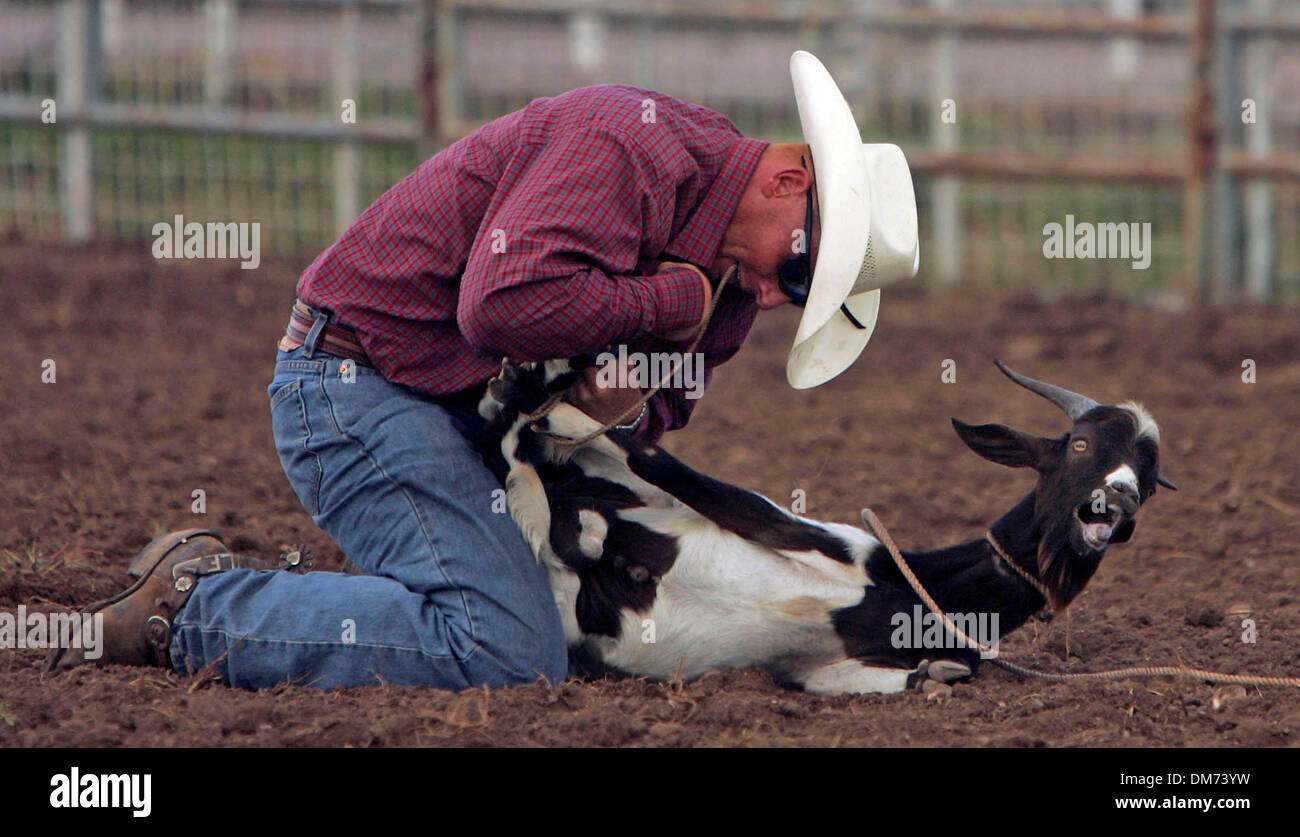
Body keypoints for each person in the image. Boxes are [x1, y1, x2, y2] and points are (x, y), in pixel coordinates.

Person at [48, 51, 919, 690]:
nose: (774, 296)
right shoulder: (629, 147)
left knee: (561, 627)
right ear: (789, 178)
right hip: (357, 386)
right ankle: (190, 609)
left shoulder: (729, 278)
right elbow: (498, 305)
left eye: (801, 296)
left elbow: (648, 420)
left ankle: (381, 589)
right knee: (504, 649)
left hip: (455, 416)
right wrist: (666, 304)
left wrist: (609, 408)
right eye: (799, 270)